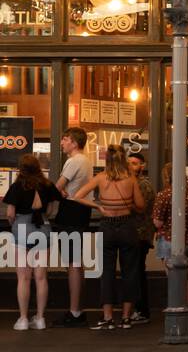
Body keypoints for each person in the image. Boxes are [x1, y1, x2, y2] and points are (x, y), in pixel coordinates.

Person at [71, 143, 145, 331]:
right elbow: (141, 205)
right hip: (127, 225)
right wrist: (127, 205)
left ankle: (108, 317)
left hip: (107, 227)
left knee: (107, 272)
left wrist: (99, 206)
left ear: (107, 160)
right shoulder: (131, 179)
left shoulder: (101, 178)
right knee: (130, 272)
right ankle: (127, 317)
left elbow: (77, 196)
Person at [5, 154, 58, 330]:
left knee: (24, 277)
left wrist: (16, 223)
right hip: (43, 229)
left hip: (22, 229)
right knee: (41, 277)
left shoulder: (16, 186)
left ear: (21, 168)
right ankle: (41, 318)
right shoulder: (48, 185)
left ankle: (23, 319)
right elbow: (50, 209)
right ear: (37, 167)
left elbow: (10, 213)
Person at [53, 127, 92, 327]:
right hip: (81, 213)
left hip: (70, 215)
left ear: (74, 143)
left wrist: (58, 192)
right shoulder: (86, 161)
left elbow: (57, 187)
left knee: (73, 264)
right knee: (77, 264)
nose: (62, 143)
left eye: (65, 139)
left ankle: (75, 311)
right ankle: (78, 309)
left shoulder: (74, 161)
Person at [152, 163, 188, 316]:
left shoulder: (164, 195)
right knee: (185, 277)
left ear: (167, 177)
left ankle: (177, 309)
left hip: (168, 239)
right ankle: (187, 309)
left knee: (174, 278)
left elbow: (157, 222)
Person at [125, 154, 155, 326]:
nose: (130, 166)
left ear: (142, 166)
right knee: (134, 271)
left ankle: (142, 310)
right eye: (128, 162)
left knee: (137, 273)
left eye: (134, 163)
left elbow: (139, 208)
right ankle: (137, 308)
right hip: (132, 233)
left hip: (140, 234)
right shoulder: (130, 183)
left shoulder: (143, 185)